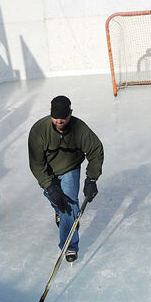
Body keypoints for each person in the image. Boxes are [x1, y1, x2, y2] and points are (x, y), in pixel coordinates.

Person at [28, 95, 104, 262]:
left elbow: (96, 150)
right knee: (57, 201)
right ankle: (58, 210)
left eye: (63, 117)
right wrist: (49, 187)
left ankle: (70, 246)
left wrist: (91, 179)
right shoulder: (39, 131)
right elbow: (36, 164)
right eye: (55, 117)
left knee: (69, 206)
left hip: (70, 168)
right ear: (50, 114)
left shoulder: (80, 129)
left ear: (70, 113)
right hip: (48, 172)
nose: (59, 121)